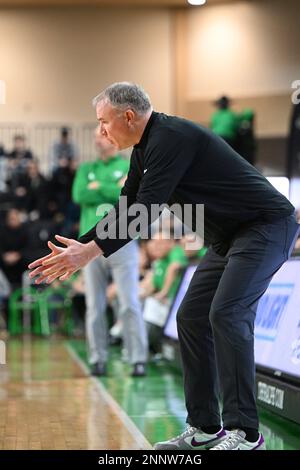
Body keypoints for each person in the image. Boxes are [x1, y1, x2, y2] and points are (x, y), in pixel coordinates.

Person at [29, 82, 300, 451]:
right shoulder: (144, 150)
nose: (102, 131)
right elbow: (127, 206)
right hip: (229, 238)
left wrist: (90, 251)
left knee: (227, 313)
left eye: (104, 122)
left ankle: (246, 434)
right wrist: (85, 244)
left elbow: (145, 210)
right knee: (190, 316)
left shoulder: (171, 137)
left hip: (266, 225)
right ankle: (205, 427)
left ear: (128, 116)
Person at [72, 131, 148, 376]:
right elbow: (79, 194)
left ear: (113, 140)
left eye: (102, 135)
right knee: (94, 306)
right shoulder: (86, 169)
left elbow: (124, 196)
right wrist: (109, 188)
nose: (97, 140)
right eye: (95, 136)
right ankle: (97, 359)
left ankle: (137, 358)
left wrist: (99, 188)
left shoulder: (128, 165)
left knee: (129, 303)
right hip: (89, 246)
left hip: (123, 242)